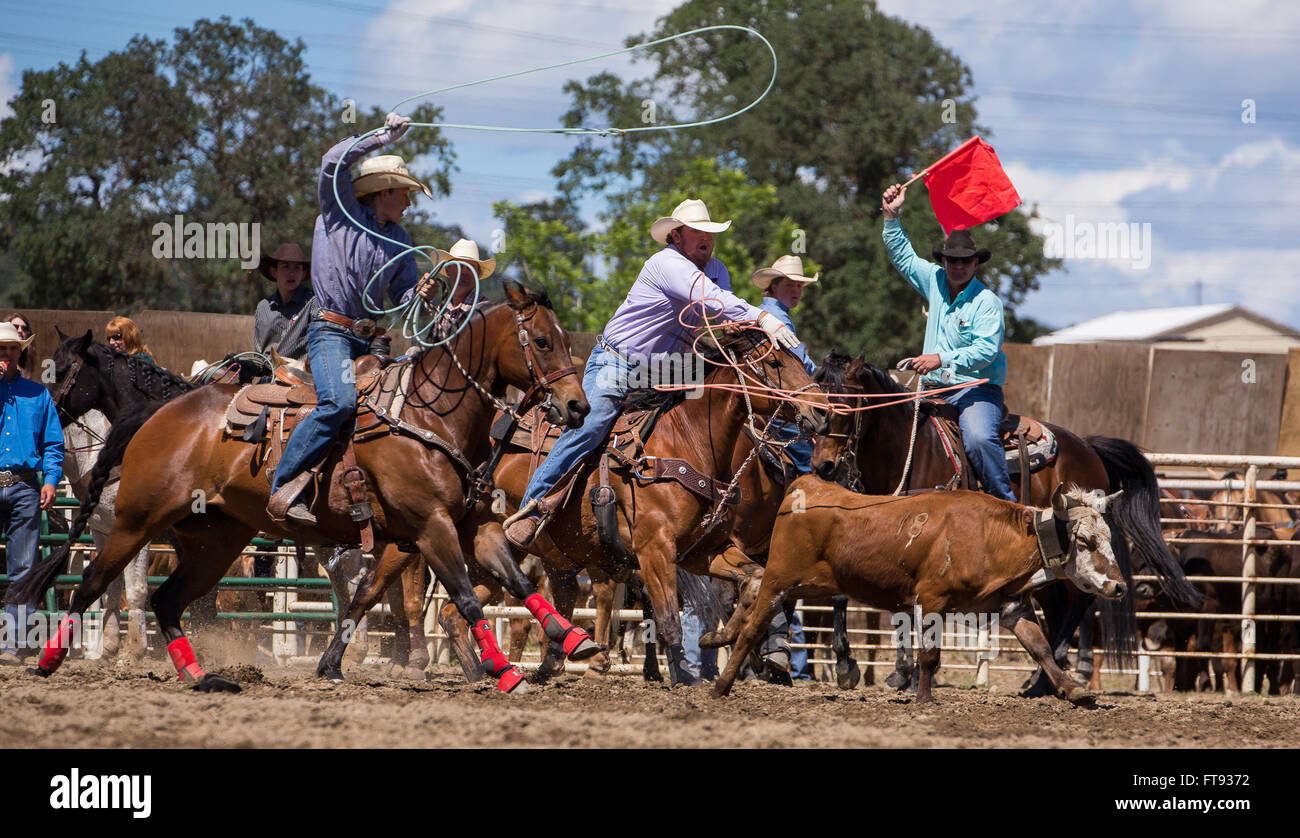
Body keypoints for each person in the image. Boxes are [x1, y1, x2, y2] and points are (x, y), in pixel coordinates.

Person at [503, 198, 799, 550]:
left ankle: (710, 507)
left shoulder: (717, 269)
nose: (706, 238)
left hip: (674, 369)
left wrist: (739, 328)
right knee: (592, 426)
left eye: (710, 233)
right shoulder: (666, 263)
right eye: (697, 232)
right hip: (620, 363)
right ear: (676, 235)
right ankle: (533, 508)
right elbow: (708, 297)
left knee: (727, 400)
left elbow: (720, 313)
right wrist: (761, 317)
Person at [268, 113, 437, 525]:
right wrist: (382, 137)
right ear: (384, 193)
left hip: (369, 339)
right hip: (330, 332)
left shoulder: (400, 239)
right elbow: (331, 162)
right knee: (339, 401)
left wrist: (421, 295)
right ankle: (283, 488)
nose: (409, 204)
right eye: (405, 195)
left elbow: (402, 293)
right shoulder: (338, 212)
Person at [880, 183, 1015, 501]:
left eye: (964, 261)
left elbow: (985, 351)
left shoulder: (986, 302)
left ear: (975, 263)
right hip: (934, 390)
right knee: (889, 428)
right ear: (943, 261)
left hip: (976, 390)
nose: (957, 266)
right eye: (951, 261)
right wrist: (891, 216)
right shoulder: (935, 281)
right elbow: (903, 256)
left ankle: (1004, 503)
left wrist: (941, 359)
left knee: (980, 439)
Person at [0, 321, 63, 664]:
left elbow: (53, 444)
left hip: (25, 485)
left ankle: (13, 642)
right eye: (1, 349)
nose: (7, 355)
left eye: (12, 348)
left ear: (20, 352)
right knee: (20, 566)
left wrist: (51, 479)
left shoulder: (38, 395)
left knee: (23, 567)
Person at [752, 254, 819, 474]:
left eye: (799, 286)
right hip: (777, 400)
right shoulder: (776, 317)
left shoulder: (772, 312)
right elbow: (797, 361)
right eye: (789, 285)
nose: (796, 291)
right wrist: (820, 379)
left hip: (769, 394)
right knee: (813, 461)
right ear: (773, 286)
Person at [254, 242, 314, 361]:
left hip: (299, 375)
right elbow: (258, 352)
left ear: (303, 273)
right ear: (274, 272)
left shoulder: (313, 304)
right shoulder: (263, 307)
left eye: (297, 268)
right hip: (268, 374)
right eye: (285, 266)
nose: (291, 273)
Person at [431, 238, 496, 341]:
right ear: (448, 269)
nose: (465, 272)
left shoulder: (485, 310)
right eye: (460, 266)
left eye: (470, 267)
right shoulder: (441, 310)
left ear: (477, 273)